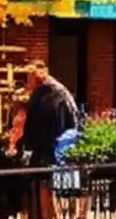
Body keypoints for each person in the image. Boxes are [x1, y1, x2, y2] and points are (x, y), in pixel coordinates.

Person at [23, 61, 79, 219]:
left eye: (29, 79)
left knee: (41, 183)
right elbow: (72, 117)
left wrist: (27, 145)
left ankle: (44, 214)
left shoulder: (40, 96)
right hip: (61, 143)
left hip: (45, 148)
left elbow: (32, 127)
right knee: (54, 185)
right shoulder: (60, 91)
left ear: (34, 78)